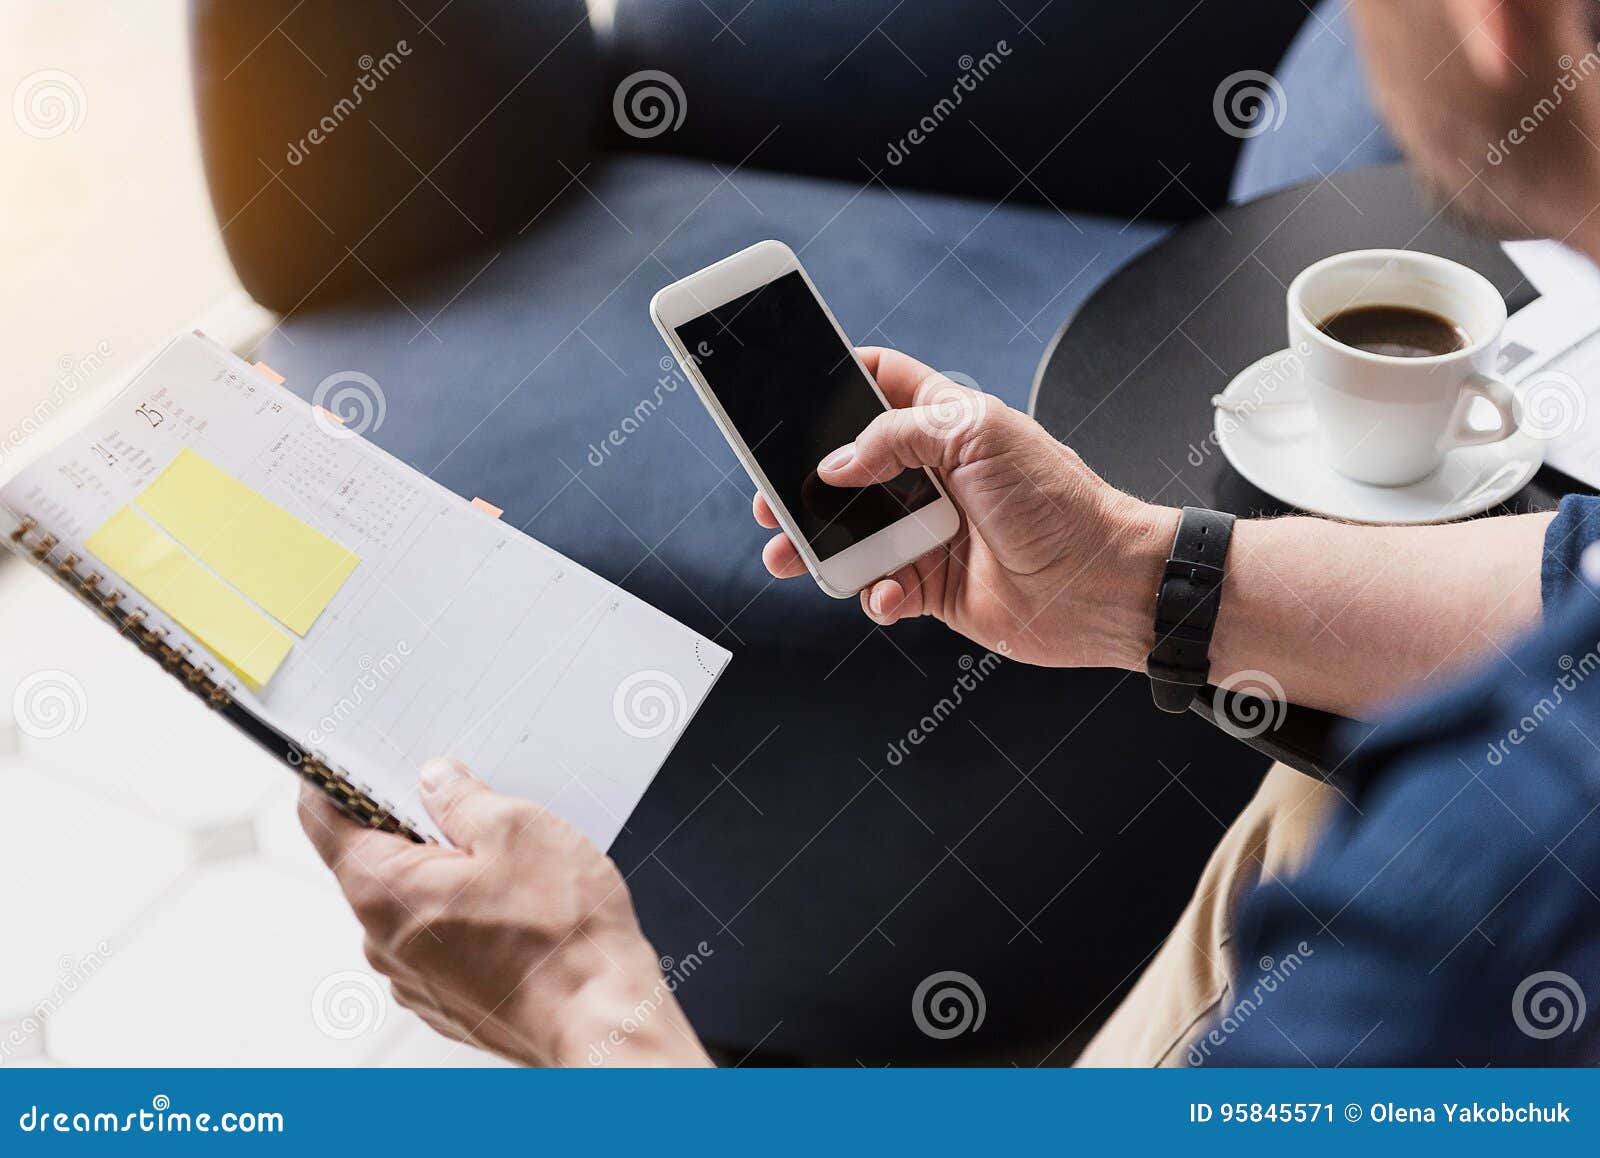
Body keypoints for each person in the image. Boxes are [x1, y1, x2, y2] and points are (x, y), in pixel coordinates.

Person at [300, 0, 1600, 1065]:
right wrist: (1126, 573)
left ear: (1497, 21)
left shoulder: (1482, 900)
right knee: (1302, 795)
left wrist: (583, 1004)